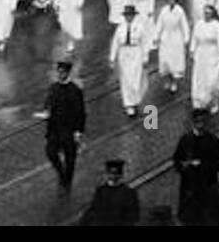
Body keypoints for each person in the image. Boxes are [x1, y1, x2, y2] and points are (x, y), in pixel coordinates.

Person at [35, 61, 85, 194]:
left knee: (70, 158)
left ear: (68, 73)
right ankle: (61, 174)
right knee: (51, 152)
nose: (60, 74)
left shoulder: (75, 90)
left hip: (69, 129)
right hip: (54, 128)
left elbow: (80, 112)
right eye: (59, 72)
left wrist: (78, 131)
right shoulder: (53, 87)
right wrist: (46, 112)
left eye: (63, 72)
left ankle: (67, 182)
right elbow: (48, 103)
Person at [172, 109, 219, 225]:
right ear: (193, 123)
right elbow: (177, 159)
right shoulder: (185, 140)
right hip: (189, 187)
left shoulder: (213, 141)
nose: (200, 125)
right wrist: (183, 165)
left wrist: (202, 165)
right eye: (197, 122)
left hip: (206, 186)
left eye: (203, 122)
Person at [109, 4, 150, 117]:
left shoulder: (140, 27)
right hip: (124, 53)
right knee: (125, 79)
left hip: (136, 52)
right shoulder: (120, 28)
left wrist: (145, 56)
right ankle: (128, 104)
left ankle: (136, 99)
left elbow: (145, 42)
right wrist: (112, 58)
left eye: (130, 15)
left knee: (135, 78)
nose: (129, 17)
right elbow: (115, 43)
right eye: (127, 15)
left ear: (134, 16)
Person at [190, 4, 219, 112]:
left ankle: (213, 102)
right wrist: (192, 50)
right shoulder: (199, 24)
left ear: (212, 14)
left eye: (209, 13)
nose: (206, 15)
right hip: (201, 54)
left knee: (212, 79)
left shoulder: (216, 25)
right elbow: (194, 38)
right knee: (199, 79)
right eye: (205, 13)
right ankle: (200, 101)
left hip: (212, 55)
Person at [80, 160, 141, 226]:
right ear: (107, 174)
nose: (113, 176)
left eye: (116, 174)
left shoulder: (128, 193)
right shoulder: (100, 192)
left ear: (120, 175)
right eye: (111, 173)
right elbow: (93, 210)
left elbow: (133, 216)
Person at [155, 0, 189, 94]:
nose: (171, 2)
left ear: (176, 1)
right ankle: (167, 79)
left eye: (173, 0)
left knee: (175, 61)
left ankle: (174, 82)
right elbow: (159, 24)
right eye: (169, 0)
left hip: (176, 38)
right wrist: (156, 36)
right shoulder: (164, 10)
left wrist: (186, 38)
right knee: (165, 60)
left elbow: (184, 26)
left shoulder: (180, 11)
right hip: (165, 38)